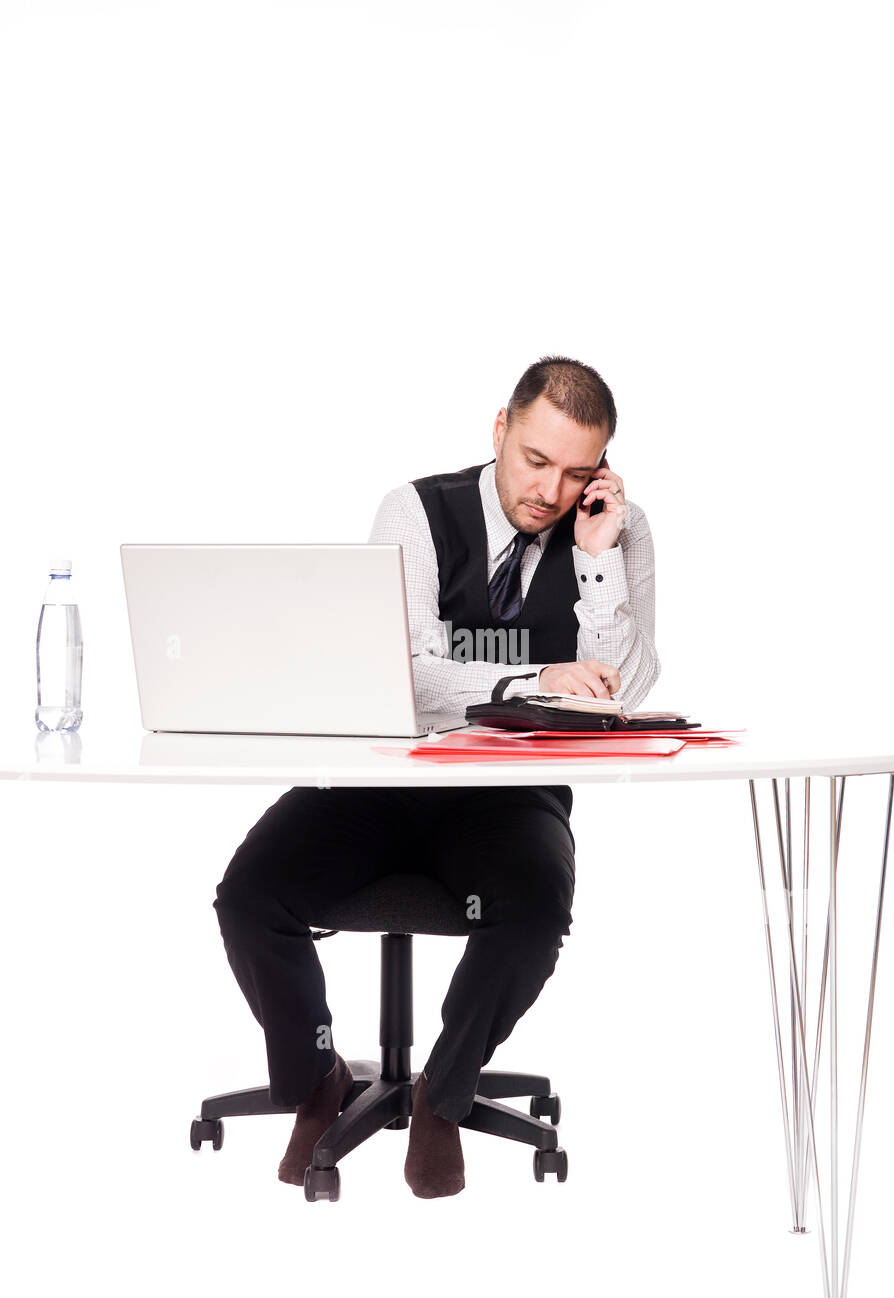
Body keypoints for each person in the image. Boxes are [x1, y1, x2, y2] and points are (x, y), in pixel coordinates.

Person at [212, 355, 660, 1198]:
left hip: (507, 795)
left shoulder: (618, 530)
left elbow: (626, 693)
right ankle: (316, 1082)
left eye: (575, 473)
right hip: (381, 780)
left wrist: (597, 559)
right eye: (535, 461)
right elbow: (404, 671)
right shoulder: (414, 512)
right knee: (251, 895)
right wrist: (529, 685)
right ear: (500, 430)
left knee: (533, 908)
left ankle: (442, 1094)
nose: (550, 492)